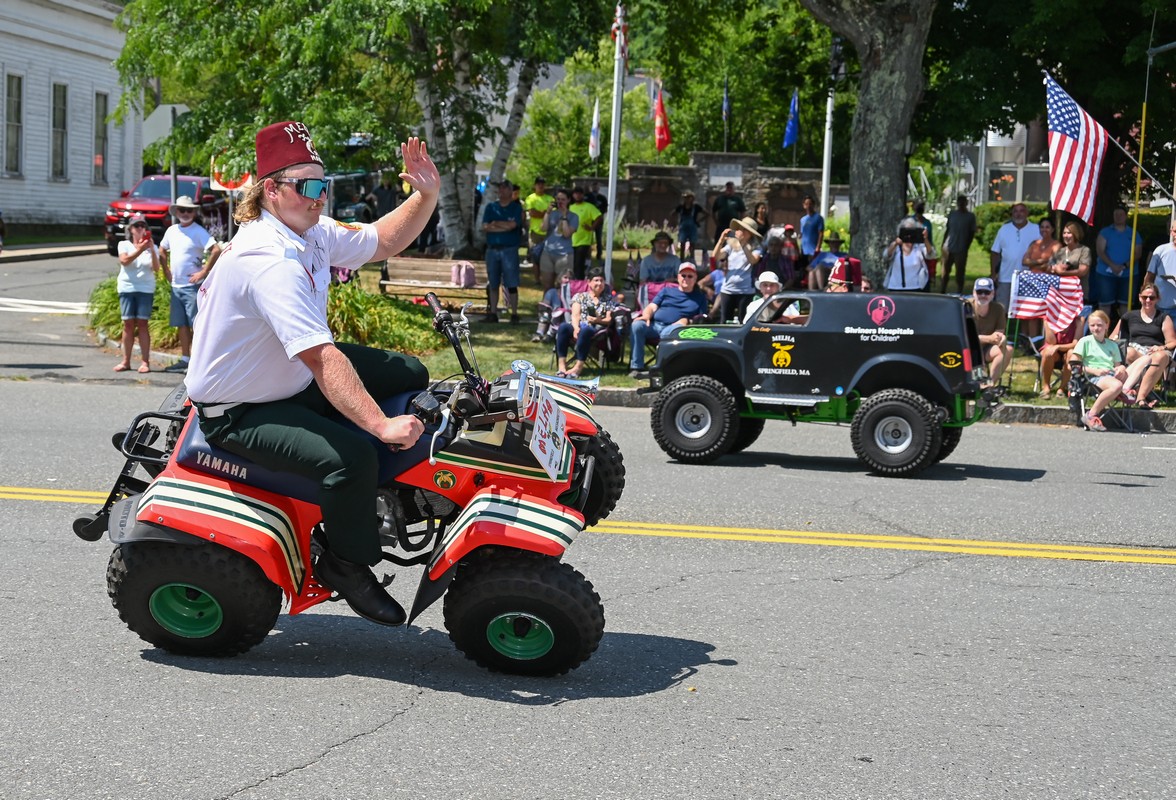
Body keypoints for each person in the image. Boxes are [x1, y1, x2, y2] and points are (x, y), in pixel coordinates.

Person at [184, 121, 438, 626]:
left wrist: (425, 194)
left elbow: (381, 241)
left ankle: (381, 488)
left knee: (410, 371)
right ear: (272, 190)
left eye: (325, 184)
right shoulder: (268, 260)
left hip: (288, 377)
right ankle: (344, 561)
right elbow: (322, 357)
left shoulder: (310, 230)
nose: (320, 196)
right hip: (243, 409)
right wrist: (380, 425)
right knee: (354, 459)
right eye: (308, 185)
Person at [159, 195, 222, 373]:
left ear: (194, 213)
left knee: (197, 325)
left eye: (189, 210)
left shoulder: (198, 231)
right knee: (181, 324)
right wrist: (166, 270)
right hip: (176, 286)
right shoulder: (172, 231)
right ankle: (185, 359)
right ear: (176, 212)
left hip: (193, 287)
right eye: (182, 210)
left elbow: (216, 249)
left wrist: (203, 272)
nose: (185, 213)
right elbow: (162, 249)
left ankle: (198, 362)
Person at [629, 261, 708, 377]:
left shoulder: (700, 297)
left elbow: (701, 319)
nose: (686, 278)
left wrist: (687, 321)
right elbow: (652, 306)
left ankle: (660, 368)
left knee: (668, 332)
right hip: (655, 325)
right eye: (683, 275)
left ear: (695, 278)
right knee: (637, 326)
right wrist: (646, 315)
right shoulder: (667, 291)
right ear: (678, 277)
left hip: (678, 329)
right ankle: (636, 367)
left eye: (690, 276)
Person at [1113, 286, 1175, 407]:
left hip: (1157, 351)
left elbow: (1172, 342)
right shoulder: (1129, 316)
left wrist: (1162, 348)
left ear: (1157, 299)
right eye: (1145, 297)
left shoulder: (1163, 317)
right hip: (1136, 351)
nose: (1148, 300)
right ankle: (1143, 393)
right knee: (1129, 352)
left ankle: (1140, 396)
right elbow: (1113, 337)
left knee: (1159, 357)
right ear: (1139, 298)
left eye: (1151, 298)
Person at [113, 213, 159, 374]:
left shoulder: (152, 247)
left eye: (142, 226)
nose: (140, 229)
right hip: (127, 287)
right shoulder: (124, 244)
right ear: (130, 229)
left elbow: (156, 268)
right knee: (128, 324)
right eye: (136, 226)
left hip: (145, 288)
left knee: (143, 323)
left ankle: (145, 361)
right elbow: (124, 261)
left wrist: (151, 249)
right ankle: (126, 361)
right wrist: (140, 249)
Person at [1070, 310, 1128, 432]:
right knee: (1117, 386)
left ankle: (1126, 391)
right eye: (1092, 325)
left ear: (1107, 325)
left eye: (1099, 325)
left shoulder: (1113, 345)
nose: (1096, 328)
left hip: (1111, 375)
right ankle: (1091, 415)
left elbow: (1118, 365)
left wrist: (1121, 368)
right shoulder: (1085, 341)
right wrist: (1094, 371)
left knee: (1137, 365)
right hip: (1092, 376)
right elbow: (1074, 365)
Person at [555, 269, 619, 378]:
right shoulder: (580, 296)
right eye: (596, 280)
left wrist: (597, 320)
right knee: (563, 327)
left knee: (586, 331)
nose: (599, 283)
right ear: (589, 282)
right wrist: (576, 328)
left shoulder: (608, 299)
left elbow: (608, 320)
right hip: (578, 324)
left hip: (596, 329)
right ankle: (562, 366)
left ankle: (578, 368)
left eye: (602, 280)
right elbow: (575, 315)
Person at [480, 179, 524, 324]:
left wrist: (495, 224)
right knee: (493, 283)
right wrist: (503, 226)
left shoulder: (516, 208)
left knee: (511, 282)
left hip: (509, 250)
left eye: (505, 188)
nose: (502, 191)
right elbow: (485, 227)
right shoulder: (491, 207)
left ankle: (514, 313)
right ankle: (493, 313)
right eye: (500, 188)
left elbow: (513, 225)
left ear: (511, 191)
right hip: (492, 250)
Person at [1094, 205, 1144, 321]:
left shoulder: (1133, 233)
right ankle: (1102, 330)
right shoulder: (1105, 232)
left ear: (1126, 216)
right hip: (1106, 274)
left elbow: (1138, 253)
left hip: (1128, 274)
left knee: (1126, 304)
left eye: (1121, 214)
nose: (1118, 217)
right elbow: (1100, 251)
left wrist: (1125, 265)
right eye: (1116, 214)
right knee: (1105, 304)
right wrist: (1112, 265)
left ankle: (1126, 329)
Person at [712, 215, 762, 322]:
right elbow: (716, 256)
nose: (741, 231)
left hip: (746, 291)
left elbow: (753, 260)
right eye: (740, 228)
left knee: (744, 321)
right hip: (728, 289)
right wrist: (721, 240)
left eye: (744, 229)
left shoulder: (756, 247)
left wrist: (743, 243)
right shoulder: (731, 245)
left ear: (751, 233)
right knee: (725, 321)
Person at [989, 202, 1039, 310]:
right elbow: (995, 252)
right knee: (1002, 309)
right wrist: (993, 274)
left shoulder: (1036, 229)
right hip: (1006, 277)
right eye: (1015, 211)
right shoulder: (1004, 229)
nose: (1018, 214)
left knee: (1025, 310)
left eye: (1022, 211)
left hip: (1028, 277)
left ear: (1027, 213)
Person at [967, 277, 1012, 386]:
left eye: (986, 292)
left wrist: (1001, 338)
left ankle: (990, 385)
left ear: (992, 294)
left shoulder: (998, 309)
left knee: (1007, 349)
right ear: (973, 293)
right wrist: (989, 338)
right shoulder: (965, 307)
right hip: (967, 349)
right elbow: (964, 337)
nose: (983, 295)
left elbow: (999, 334)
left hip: (986, 349)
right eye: (979, 292)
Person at [538, 189, 578, 294]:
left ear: (568, 200)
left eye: (563, 200)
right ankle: (547, 302)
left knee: (562, 286)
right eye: (558, 199)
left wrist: (564, 217)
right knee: (547, 285)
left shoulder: (573, 216)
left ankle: (560, 303)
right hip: (548, 252)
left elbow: (566, 234)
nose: (560, 202)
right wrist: (547, 213)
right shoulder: (552, 214)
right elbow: (543, 228)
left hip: (564, 254)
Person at [939, 195, 977, 294]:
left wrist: (966, 246)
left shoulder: (970, 216)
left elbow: (972, 232)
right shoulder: (952, 214)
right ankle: (943, 289)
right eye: (960, 202)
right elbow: (948, 229)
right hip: (948, 247)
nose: (961, 204)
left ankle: (959, 291)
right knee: (945, 270)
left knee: (960, 272)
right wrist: (943, 244)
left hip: (961, 248)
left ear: (966, 203)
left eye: (963, 202)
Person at [882, 220, 932, 292]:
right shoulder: (896, 246)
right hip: (895, 287)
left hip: (916, 287)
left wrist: (925, 239)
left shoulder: (918, 247)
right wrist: (896, 243)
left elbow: (930, 253)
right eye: (906, 232)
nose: (909, 236)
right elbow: (886, 255)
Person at [1049, 221, 1093, 300]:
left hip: (1078, 293)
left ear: (1076, 234)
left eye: (1069, 233)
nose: (1066, 235)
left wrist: (1062, 272)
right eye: (1064, 233)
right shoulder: (1060, 251)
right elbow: (1049, 266)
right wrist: (1054, 268)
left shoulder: (1084, 250)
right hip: (1061, 293)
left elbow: (1082, 271)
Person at [523, 176, 554, 278]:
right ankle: (537, 279)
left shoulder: (550, 199)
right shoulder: (530, 198)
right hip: (535, 232)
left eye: (542, 184)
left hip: (548, 232)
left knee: (547, 257)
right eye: (538, 184)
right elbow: (532, 213)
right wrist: (546, 212)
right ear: (535, 186)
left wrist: (541, 213)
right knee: (535, 256)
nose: (540, 186)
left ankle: (545, 278)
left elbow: (553, 214)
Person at [568, 185, 601, 280]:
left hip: (583, 240)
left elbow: (599, 217)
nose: (578, 195)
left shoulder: (589, 207)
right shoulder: (570, 207)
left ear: (583, 195)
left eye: (580, 193)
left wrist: (592, 227)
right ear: (573, 195)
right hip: (571, 240)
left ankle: (579, 282)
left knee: (579, 263)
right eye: (576, 193)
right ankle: (572, 281)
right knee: (571, 264)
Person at [1144, 221, 1176, 316]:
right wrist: (1146, 298)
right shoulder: (1160, 250)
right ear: (1171, 231)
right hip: (1159, 306)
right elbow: (1149, 277)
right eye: (1175, 231)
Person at [799, 194, 826, 289]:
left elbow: (821, 233)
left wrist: (818, 247)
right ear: (804, 205)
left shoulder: (818, 218)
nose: (808, 206)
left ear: (813, 205)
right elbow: (802, 234)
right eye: (806, 204)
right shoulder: (803, 219)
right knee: (806, 270)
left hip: (813, 249)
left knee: (814, 268)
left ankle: (816, 288)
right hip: (804, 249)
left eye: (810, 204)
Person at [672, 189, 707, 259]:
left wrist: (699, 221)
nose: (687, 199)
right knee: (682, 244)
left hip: (692, 228)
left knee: (692, 245)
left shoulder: (696, 207)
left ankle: (692, 259)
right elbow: (672, 213)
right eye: (685, 197)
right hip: (683, 228)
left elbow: (707, 213)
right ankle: (682, 259)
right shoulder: (681, 207)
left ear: (692, 198)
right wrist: (676, 222)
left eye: (688, 197)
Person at [585, 180, 608, 261]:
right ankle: (587, 254)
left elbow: (605, 209)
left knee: (599, 238)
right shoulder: (587, 197)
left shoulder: (602, 198)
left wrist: (598, 214)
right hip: (589, 220)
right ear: (591, 187)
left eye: (596, 186)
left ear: (599, 187)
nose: (595, 188)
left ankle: (599, 254)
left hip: (598, 220)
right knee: (588, 238)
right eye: (593, 186)